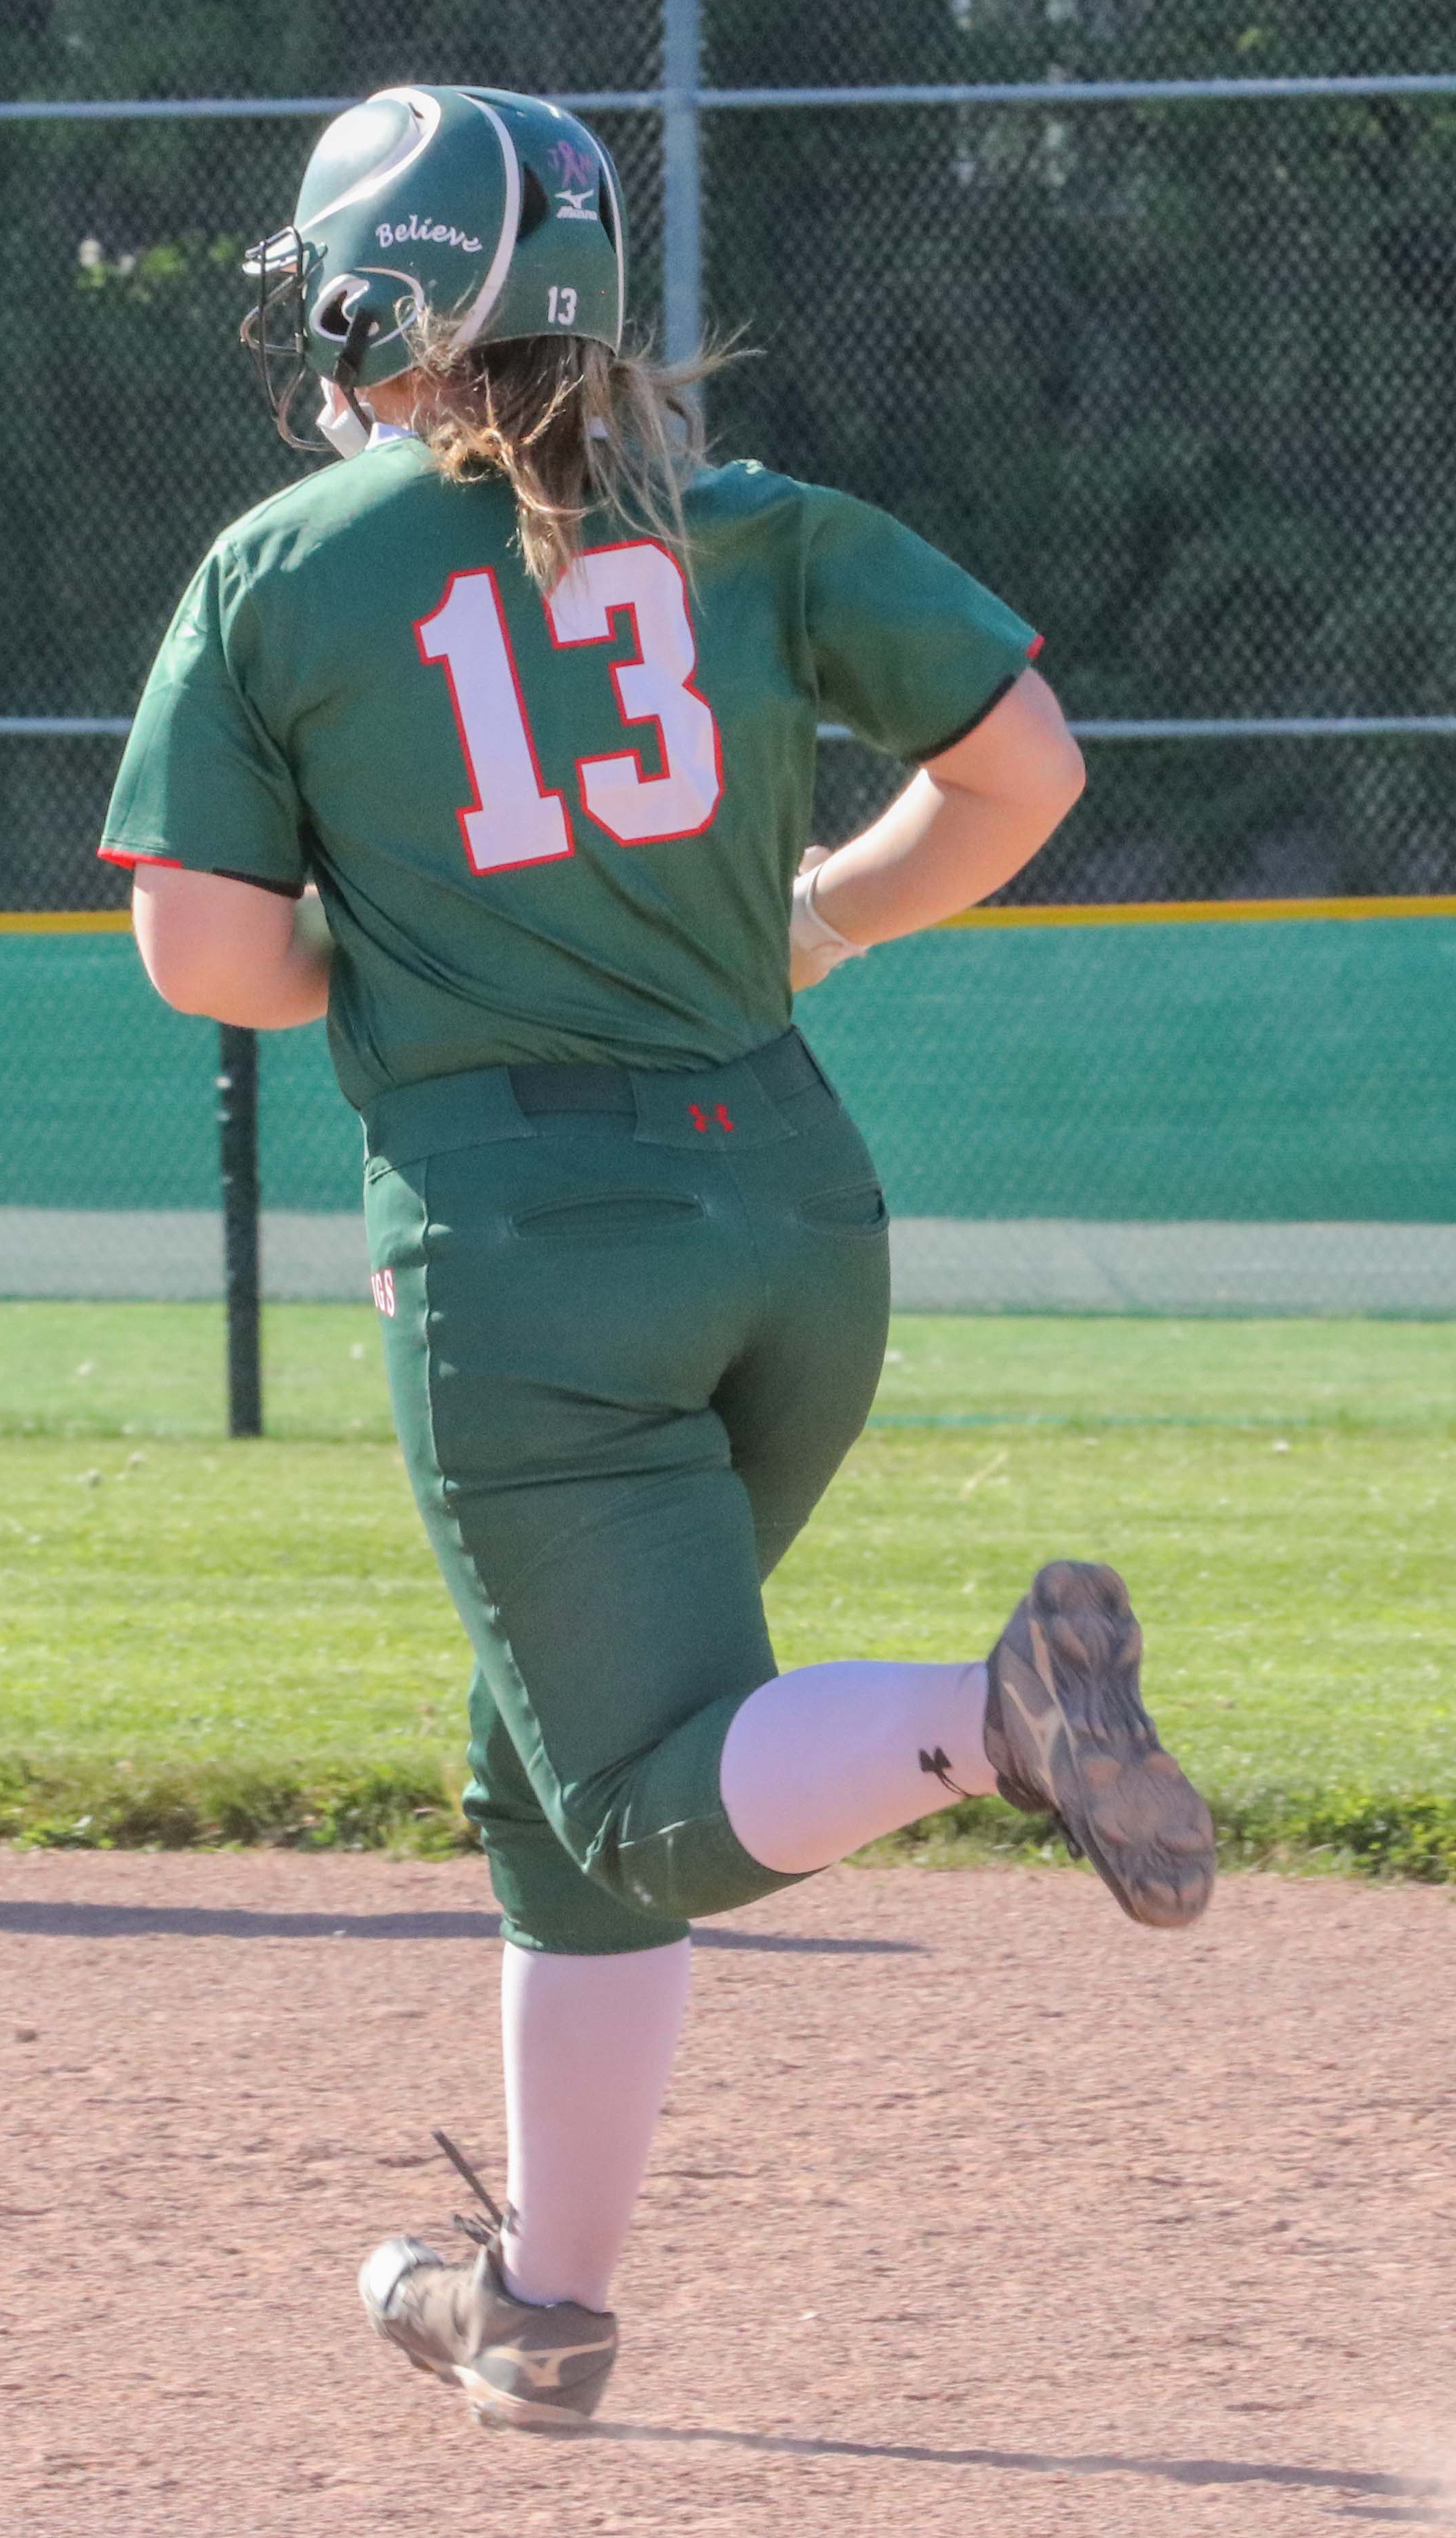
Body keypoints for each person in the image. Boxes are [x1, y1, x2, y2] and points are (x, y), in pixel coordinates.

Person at [101, 86, 1216, 2434]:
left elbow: (198, 948)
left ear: (376, 301)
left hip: (525, 1238)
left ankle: (982, 1719)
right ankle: (543, 2308)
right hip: (798, 1216)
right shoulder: (760, 524)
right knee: (561, 1785)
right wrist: (814, 921)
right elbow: (1028, 771)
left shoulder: (284, 563)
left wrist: (399, 979)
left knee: (636, 1793)